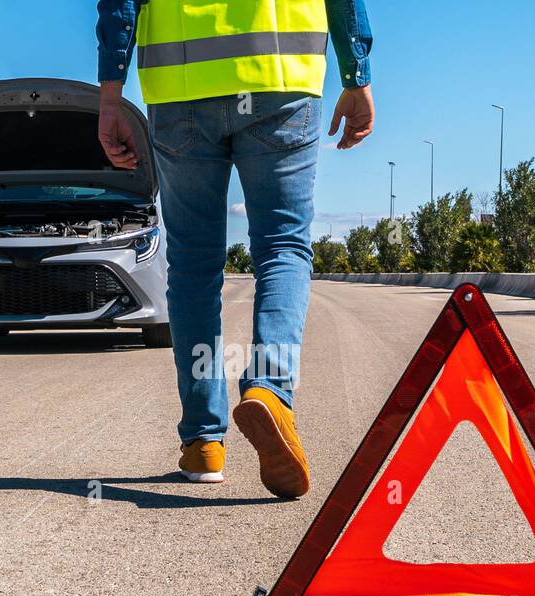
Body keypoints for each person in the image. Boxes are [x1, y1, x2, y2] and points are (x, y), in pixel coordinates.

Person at [96, 0, 374, 498]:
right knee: (283, 245)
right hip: (281, 79)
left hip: (180, 88)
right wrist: (358, 76)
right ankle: (270, 387)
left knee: (193, 265)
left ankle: (204, 441)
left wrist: (111, 96)